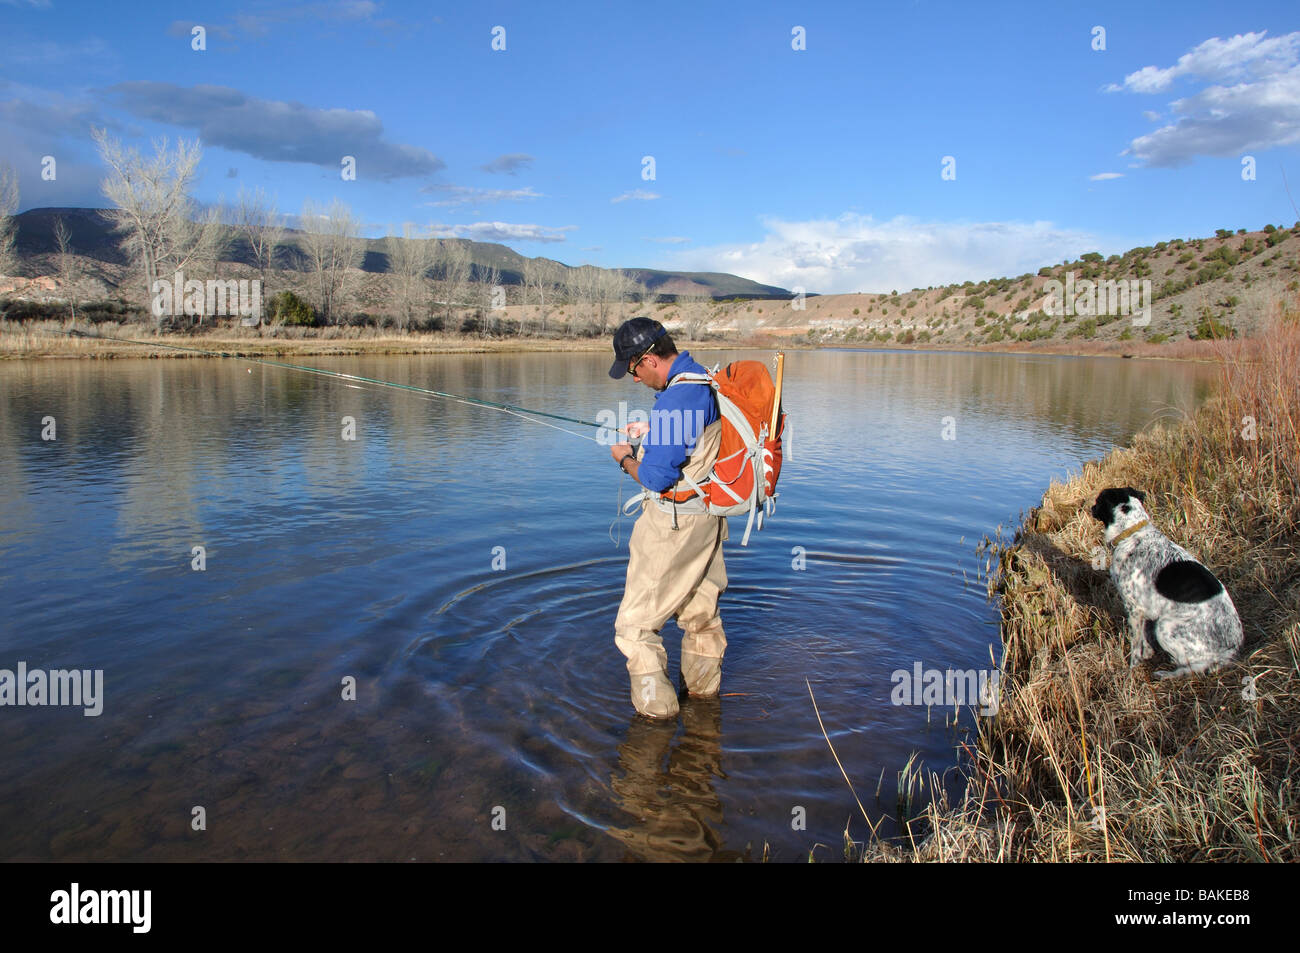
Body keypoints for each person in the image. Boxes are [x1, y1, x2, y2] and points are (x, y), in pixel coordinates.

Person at [608, 317, 729, 720]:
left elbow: (658, 477)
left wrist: (625, 457)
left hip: (675, 525)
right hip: (709, 518)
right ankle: (704, 701)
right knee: (699, 616)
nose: (635, 379)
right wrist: (657, 427)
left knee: (635, 628)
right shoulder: (701, 379)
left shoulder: (677, 400)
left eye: (632, 370)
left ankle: (656, 719)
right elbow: (699, 432)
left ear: (647, 360)